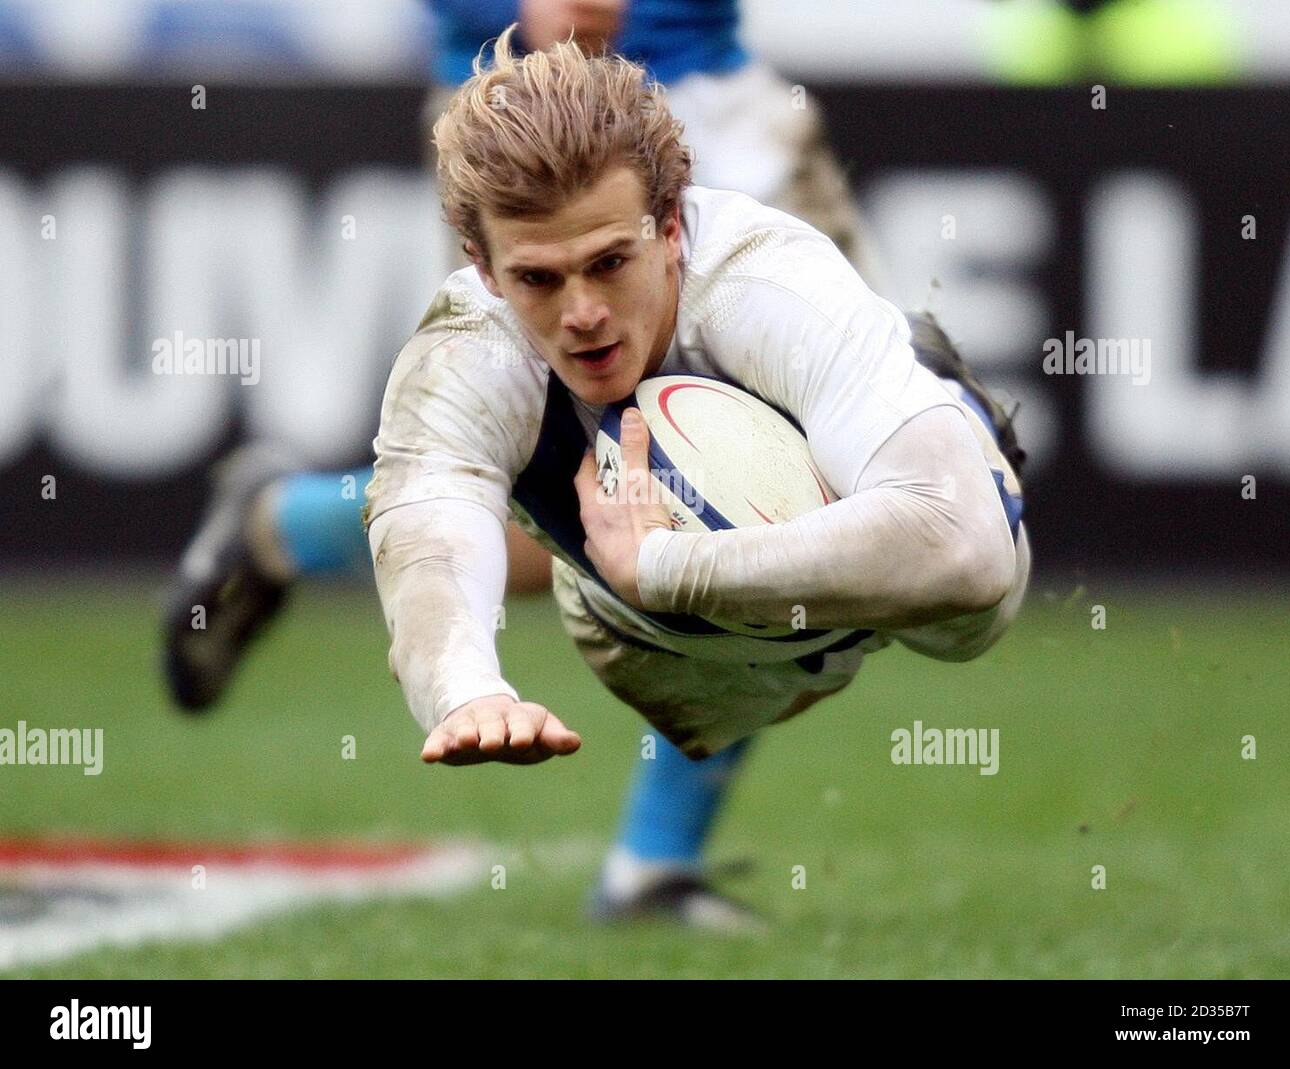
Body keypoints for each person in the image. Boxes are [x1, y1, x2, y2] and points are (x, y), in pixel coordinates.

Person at [165, 0, 881, 932]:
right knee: (625, 502)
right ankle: (653, 864)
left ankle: (284, 525)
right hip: (536, 107)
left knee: (765, 493)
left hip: (718, 96)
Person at [364, 25, 1030, 853]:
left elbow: (971, 560)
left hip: (737, 589)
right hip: (654, 644)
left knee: (982, 567)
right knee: (457, 494)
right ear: (485, 269)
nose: (580, 312)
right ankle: (652, 866)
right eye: (538, 277)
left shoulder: (767, 280)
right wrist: (467, 694)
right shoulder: (466, 343)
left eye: (611, 261)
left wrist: (669, 568)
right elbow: (425, 531)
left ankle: (925, 406)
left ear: (671, 226)